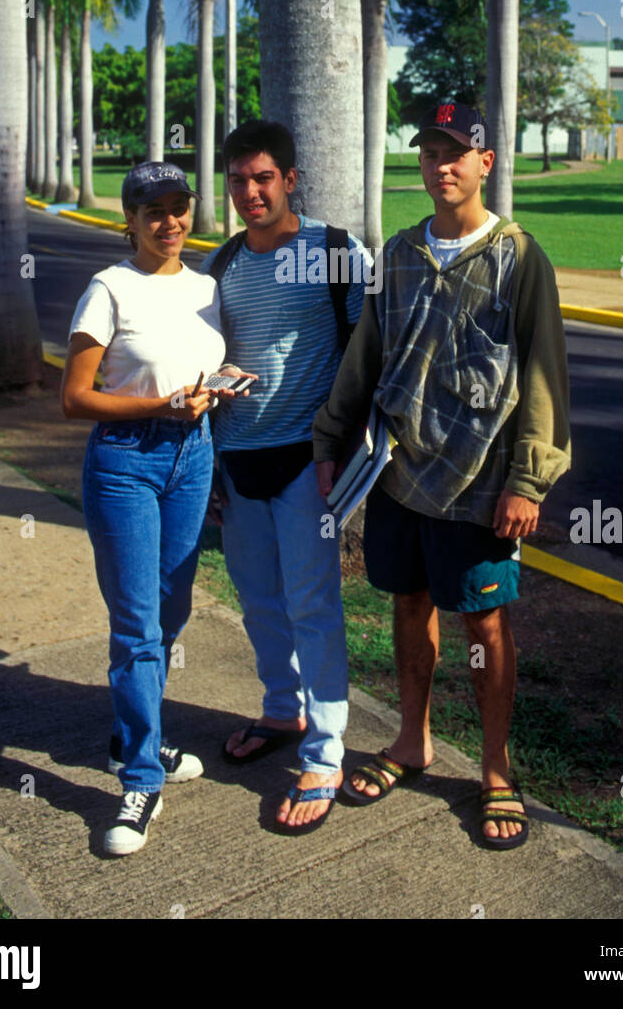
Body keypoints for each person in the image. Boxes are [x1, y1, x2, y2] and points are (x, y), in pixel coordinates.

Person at [313, 102, 571, 850]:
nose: (441, 164)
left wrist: (528, 480)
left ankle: (495, 768)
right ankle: (412, 741)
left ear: (486, 163)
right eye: (430, 152)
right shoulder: (397, 253)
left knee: (484, 623)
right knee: (408, 604)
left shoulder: (520, 258)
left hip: (482, 485)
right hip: (401, 475)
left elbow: (544, 374)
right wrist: (332, 437)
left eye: (457, 152)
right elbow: (366, 357)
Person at [61, 161, 252, 856]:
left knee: (172, 612)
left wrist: (213, 393)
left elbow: (195, 368)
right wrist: (158, 406)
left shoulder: (205, 287)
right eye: (154, 211)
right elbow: (76, 397)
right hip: (126, 461)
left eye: (180, 206)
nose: (170, 221)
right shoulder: (108, 289)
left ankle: (127, 735)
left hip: (192, 456)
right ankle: (140, 778)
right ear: (131, 221)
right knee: (137, 624)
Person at [200, 120, 370, 834]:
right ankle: (281, 708)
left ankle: (326, 753)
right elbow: (205, 355)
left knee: (312, 605)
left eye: (263, 178)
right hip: (237, 460)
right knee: (260, 601)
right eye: (238, 180)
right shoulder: (223, 263)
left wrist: (348, 449)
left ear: (291, 179)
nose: (249, 192)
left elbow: (370, 350)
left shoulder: (334, 252)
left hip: (310, 460)